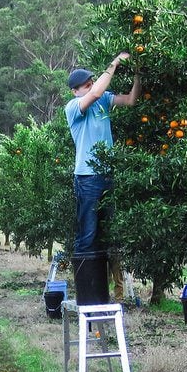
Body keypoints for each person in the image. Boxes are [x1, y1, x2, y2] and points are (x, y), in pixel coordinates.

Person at [65, 53, 139, 297]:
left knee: (107, 233)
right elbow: (95, 93)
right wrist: (114, 63)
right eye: (86, 85)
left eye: (91, 82)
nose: (91, 87)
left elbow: (130, 100)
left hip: (107, 174)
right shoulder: (74, 107)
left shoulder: (103, 99)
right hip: (87, 178)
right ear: (76, 90)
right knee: (87, 233)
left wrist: (140, 75)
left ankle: (107, 292)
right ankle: (87, 294)